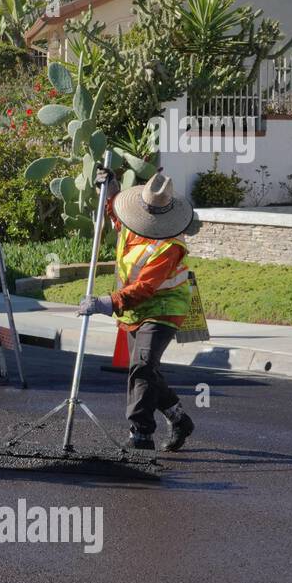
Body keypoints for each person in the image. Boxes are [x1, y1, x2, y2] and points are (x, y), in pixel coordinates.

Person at [78, 170, 196, 453]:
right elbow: (116, 215)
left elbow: (145, 288)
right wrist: (108, 190)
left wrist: (106, 303)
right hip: (133, 311)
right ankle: (179, 419)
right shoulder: (134, 222)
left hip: (165, 307)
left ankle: (141, 434)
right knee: (147, 370)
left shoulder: (170, 245)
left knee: (141, 366)